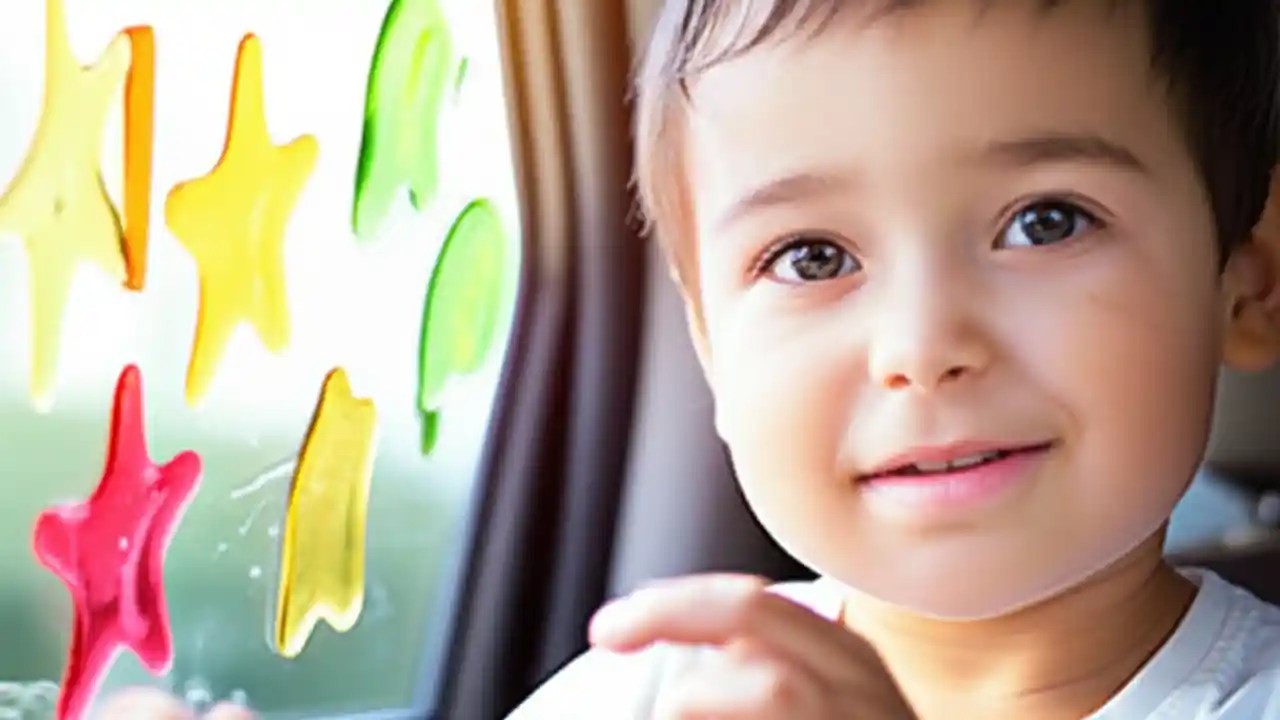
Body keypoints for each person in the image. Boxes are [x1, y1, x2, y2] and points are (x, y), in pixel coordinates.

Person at [106, 0, 1280, 717]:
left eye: (1044, 221)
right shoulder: (648, 693)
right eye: (811, 256)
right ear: (711, 347)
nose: (922, 349)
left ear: (1248, 285)